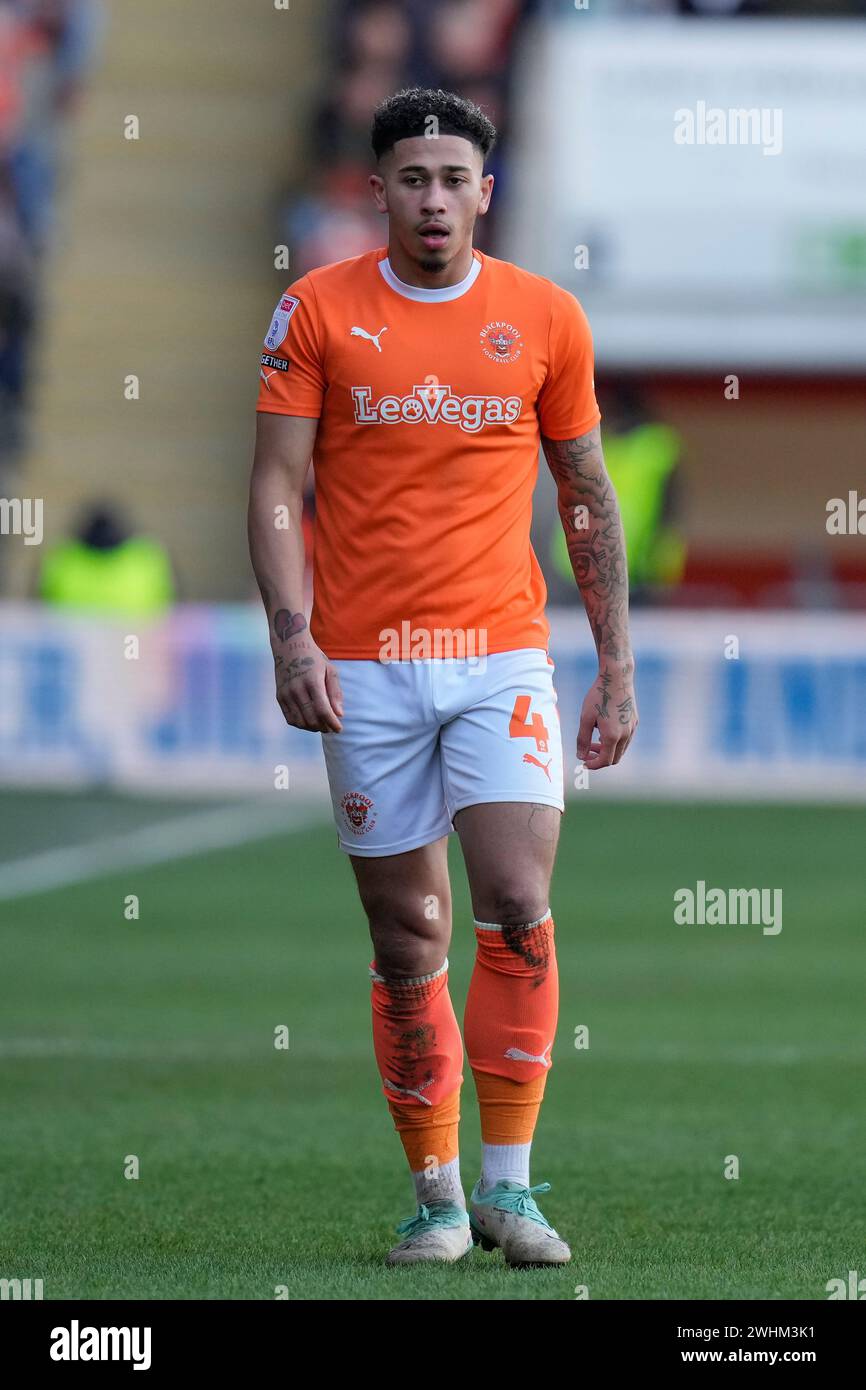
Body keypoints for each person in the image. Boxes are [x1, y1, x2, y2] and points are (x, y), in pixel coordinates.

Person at [248, 87, 638, 1268]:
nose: (432, 198)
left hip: (498, 656)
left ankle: (509, 1189)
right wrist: (291, 633)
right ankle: (433, 1197)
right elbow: (275, 483)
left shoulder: (541, 316)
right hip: (362, 664)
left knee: (515, 906)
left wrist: (613, 661)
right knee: (409, 937)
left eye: (452, 178)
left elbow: (584, 493)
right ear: (378, 190)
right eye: (410, 178)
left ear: (486, 189)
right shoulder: (315, 310)